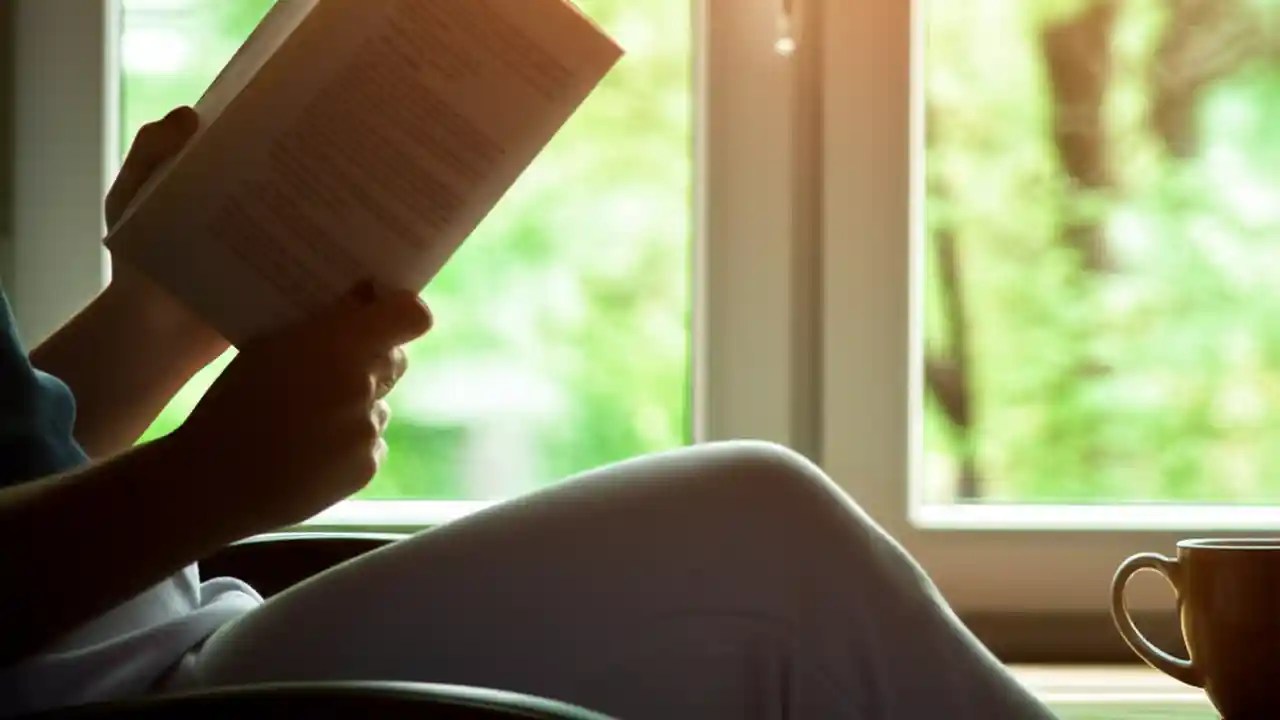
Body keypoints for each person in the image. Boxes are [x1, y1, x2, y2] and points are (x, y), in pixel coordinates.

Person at [0, 107, 1056, 720]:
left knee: (761, 535)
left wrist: (163, 307)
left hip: (159, 643)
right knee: (765, 544)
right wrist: (205, 478)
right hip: (125, 692)